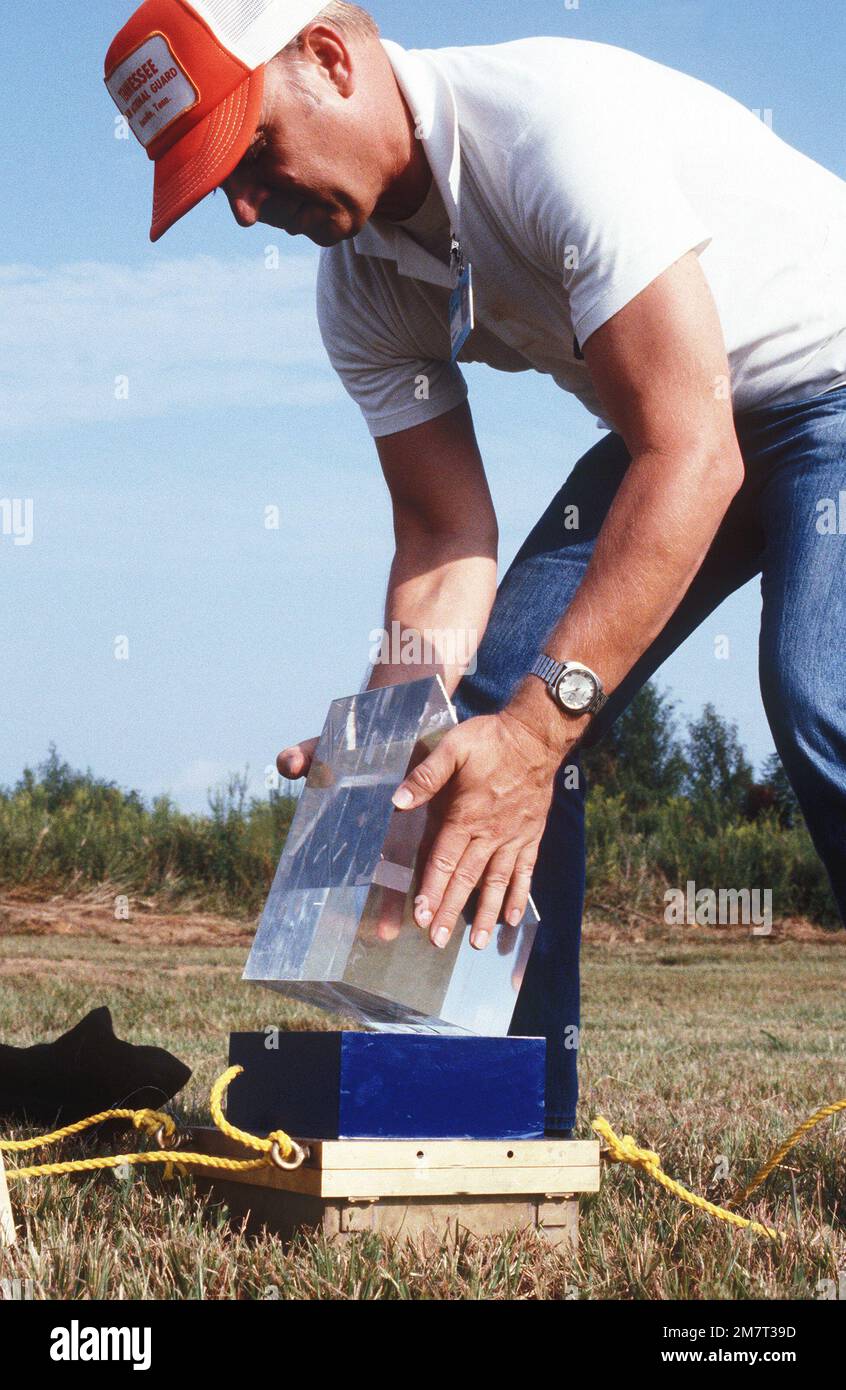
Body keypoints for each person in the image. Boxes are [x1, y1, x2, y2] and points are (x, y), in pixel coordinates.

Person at [104, 0, 846, 1132]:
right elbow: (443, 537)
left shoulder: (552, 136)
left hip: (815, 386)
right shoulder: (357, 282)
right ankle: (505, 1123)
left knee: (818, 694)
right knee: (480, 722)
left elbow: (692, 459)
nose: (247, 206)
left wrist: (549, 731)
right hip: (688, 409)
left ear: (331, 56)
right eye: (220, 187)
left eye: (250, 151)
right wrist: (390, 743)